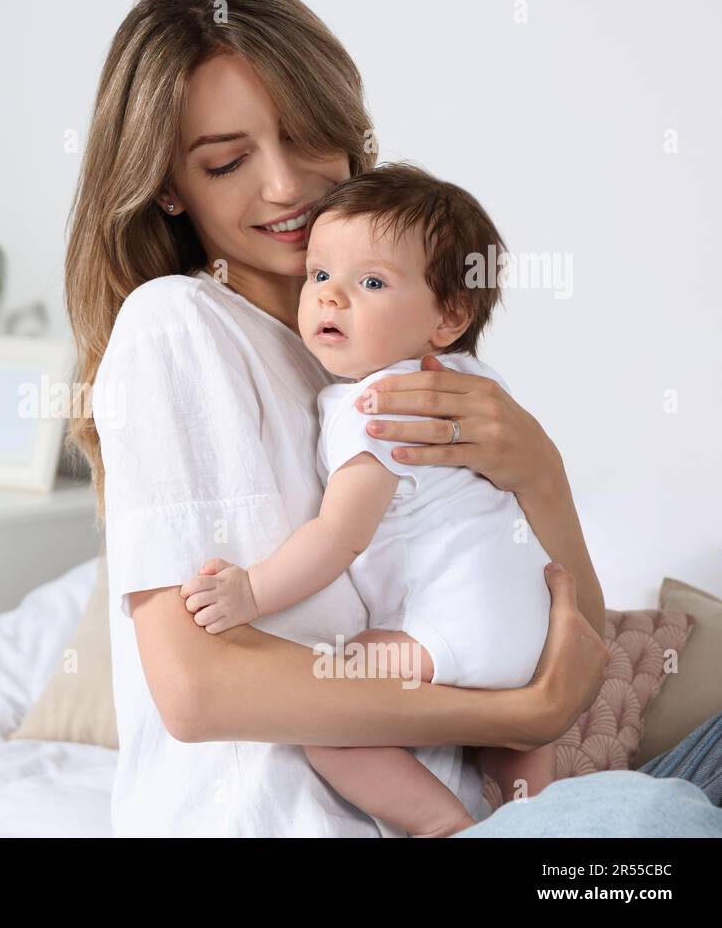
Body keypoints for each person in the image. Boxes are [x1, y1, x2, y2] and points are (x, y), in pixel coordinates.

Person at [65, 0, 609, 837]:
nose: (286, 186)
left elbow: (577, 631)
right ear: (169, 185)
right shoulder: (179, 325)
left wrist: (541, 472)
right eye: (227, 160)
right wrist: (519, 714)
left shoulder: (369, 353)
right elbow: (199, 691)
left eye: (306, 135)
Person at [179, 163, 557, 837]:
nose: (330, 299)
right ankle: (549, 814)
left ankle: (444, 826)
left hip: (451, 630)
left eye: (371, 282)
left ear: (449, 314)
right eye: (319, 275)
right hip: (525, 630)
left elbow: (337, 536)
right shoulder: (473, 381)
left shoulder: (376, 405)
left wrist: (252, 592)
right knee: (516, 748)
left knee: (326, 718)